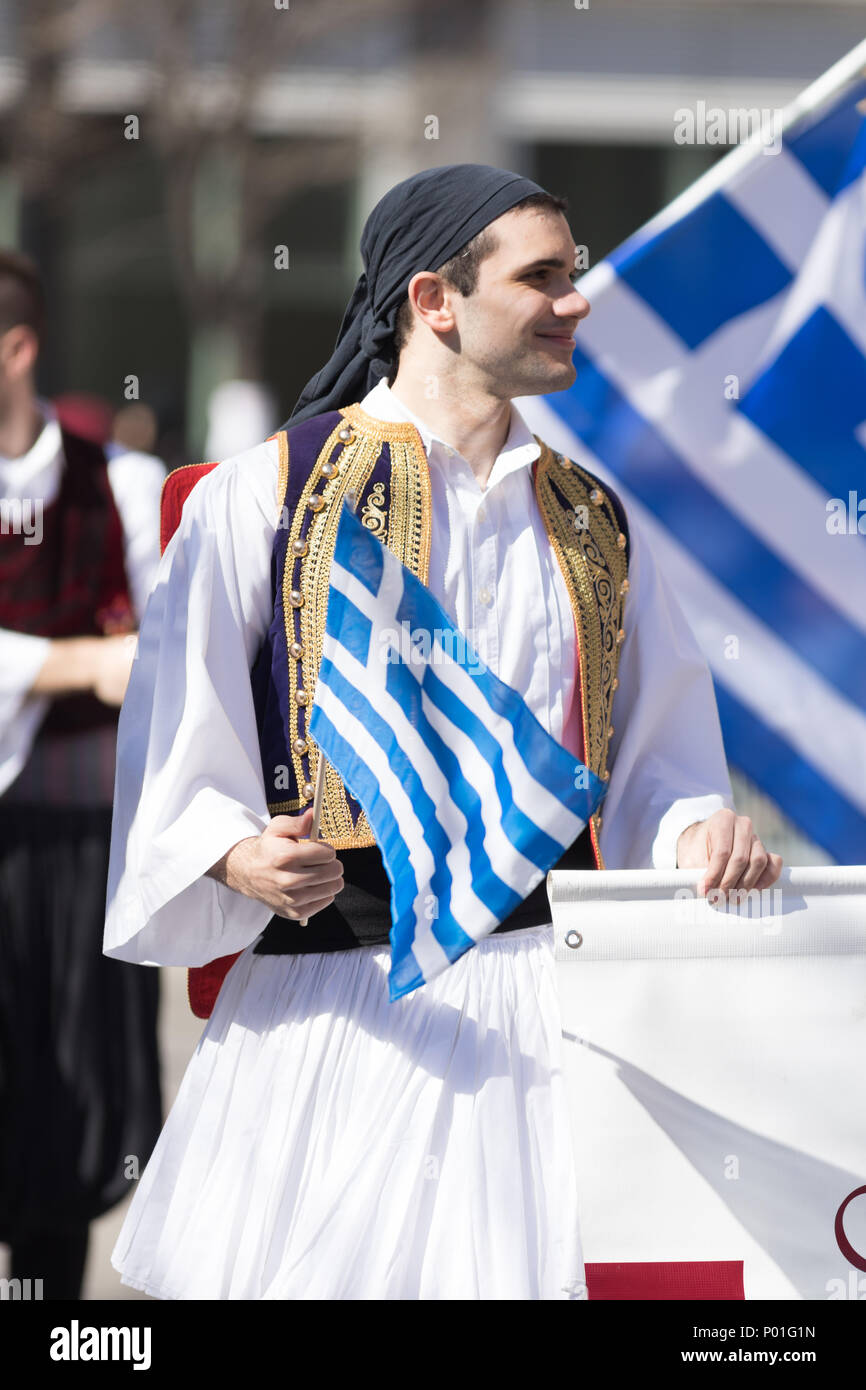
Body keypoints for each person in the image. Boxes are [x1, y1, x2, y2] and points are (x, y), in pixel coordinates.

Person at [103, 165, 782, 1301]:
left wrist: (701, 834)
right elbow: (179, 746)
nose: (576, 302)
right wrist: (235, 853)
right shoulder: (262, 495)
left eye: (572, 274)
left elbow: (658, 765)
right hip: (338, 1008)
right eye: (544, 277)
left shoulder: (593, 518)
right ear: (434, 301)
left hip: (550, 1014)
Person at [0, 249, 165, 1299]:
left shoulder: (125, 484)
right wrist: (79, 662)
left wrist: (121, 664)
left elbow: (175, 652)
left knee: (71, 1118)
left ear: (16, 350)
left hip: (84, 848)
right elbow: (123, 656)